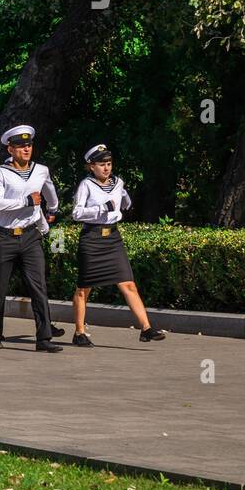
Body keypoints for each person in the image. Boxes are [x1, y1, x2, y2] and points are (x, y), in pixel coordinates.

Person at [70, 144, 167, 345]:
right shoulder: (86, 185)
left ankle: (146, 328)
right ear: (91, 166)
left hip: (113, 237)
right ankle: (79, 332)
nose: (106, 168)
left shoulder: (118, 182)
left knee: (128, 284)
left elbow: (125, 203)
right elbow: (76, 213)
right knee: (84, 288)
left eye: (109, 164)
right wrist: (100, 208)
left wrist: (124, 201)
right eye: (101, 164)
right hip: (92, 238)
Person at [0, 125, 64, 352]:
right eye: (20, 146)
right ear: (10, 149)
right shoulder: (0, 173)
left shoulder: (41, 170)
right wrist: (26, 202)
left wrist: (53, 210)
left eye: (28, 145)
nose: (26, 149)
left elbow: (49, 191)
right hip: (5, 236)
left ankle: (44, 337)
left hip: (30, 236)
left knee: (38, 287)